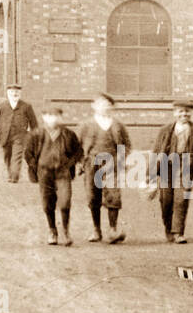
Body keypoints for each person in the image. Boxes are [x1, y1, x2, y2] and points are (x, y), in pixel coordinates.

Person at [148, 99, 193, 244]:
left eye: (187, 112)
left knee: (181, 200)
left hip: (185, 167)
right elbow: (156, 150)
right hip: (167, 166)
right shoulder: (166, 130)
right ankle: (168, 229)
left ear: (191, 113)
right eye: (181, 111)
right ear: (175, 113)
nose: (184, 114)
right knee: (166, 200)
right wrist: (151, 174)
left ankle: (178, 232)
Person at [24, 105, 83, 246]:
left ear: (61, 118)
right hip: (45, 173)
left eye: (56, 116)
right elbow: (28, 153)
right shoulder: (36, 134)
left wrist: (71, 164)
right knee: (48, 203)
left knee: (65, 202)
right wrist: (36, 167)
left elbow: (78, 152)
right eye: (49, 116)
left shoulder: (68, 134)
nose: (53, 119)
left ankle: (65, 231)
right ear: (44, 117)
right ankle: (52, 230)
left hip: (63, 172)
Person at [80, 93, 131, 243]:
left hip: (112, 163)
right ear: (94, 106)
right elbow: (78, 145)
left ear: (111, 107)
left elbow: (126, 144)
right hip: (92, 163)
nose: (104, 106)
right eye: (100, 103)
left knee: (113, 195)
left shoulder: (117, 125)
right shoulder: (86, 125)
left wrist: (122, 159)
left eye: (107, 104)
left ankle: (113, 229)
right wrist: (80, 162)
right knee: (93, 196)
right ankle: (96, 230)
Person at [0, 83, 39, 183]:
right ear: (8, 93)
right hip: (4, 136)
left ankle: (15, 176)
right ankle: (10, 173)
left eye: (16, 92)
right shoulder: (2, 106)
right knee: (7, 156)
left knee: (17, 156)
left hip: (20, 136)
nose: (14, 94)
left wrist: (36, 135)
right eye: (12, 92)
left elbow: (33, 122)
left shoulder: (26, 106)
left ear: (20, 93)